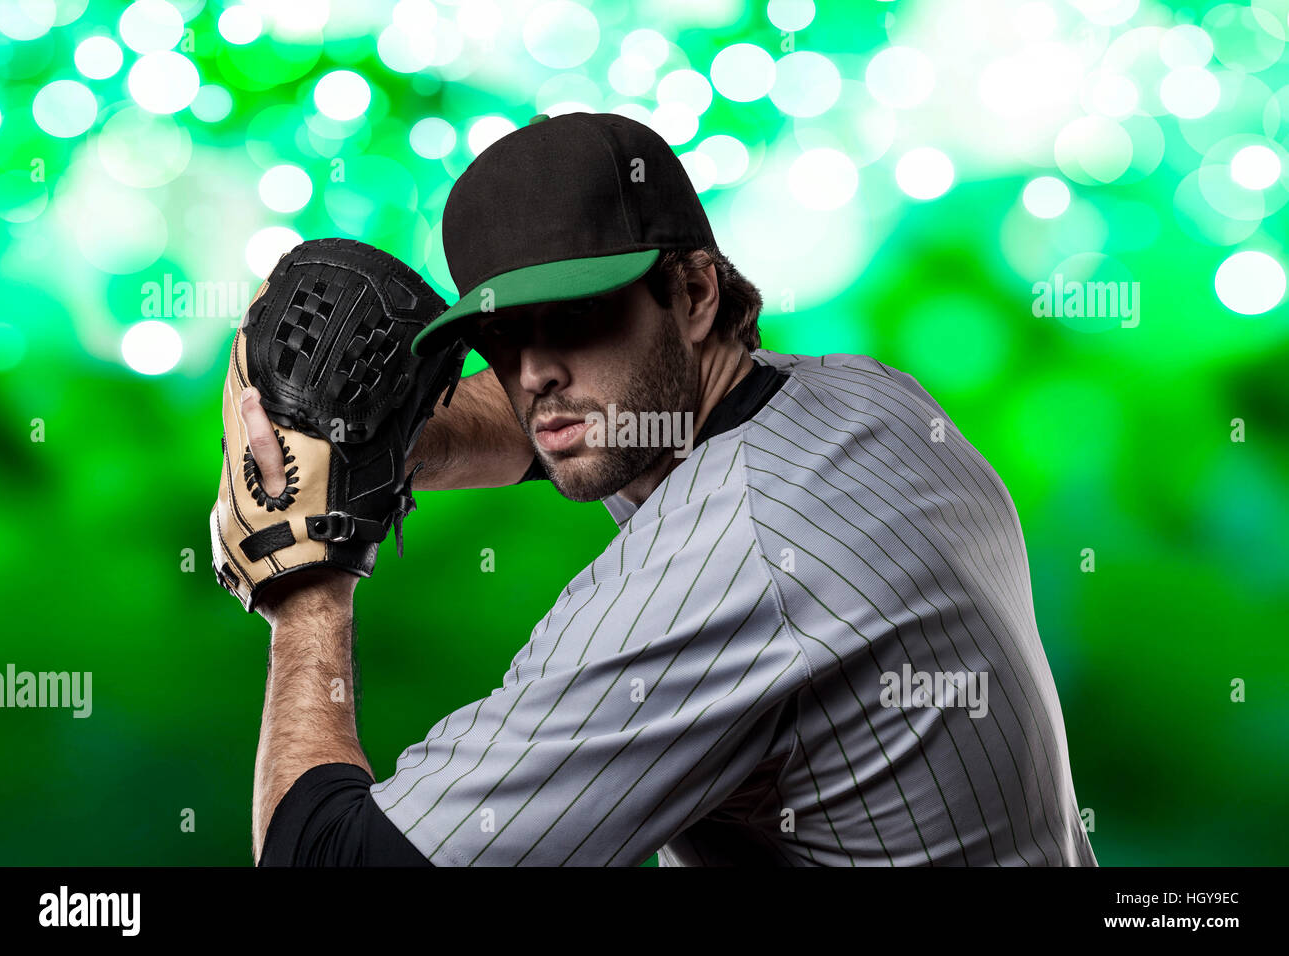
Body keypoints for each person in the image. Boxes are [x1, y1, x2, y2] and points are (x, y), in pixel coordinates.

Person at [245, 112, 1098, 866]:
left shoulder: (741, 562)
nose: (535, 374)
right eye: (500, 337)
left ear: (691, 293)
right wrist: (354, 446)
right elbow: (582, 422)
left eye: (575, 315)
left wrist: (305, 577)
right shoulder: (869, 397)